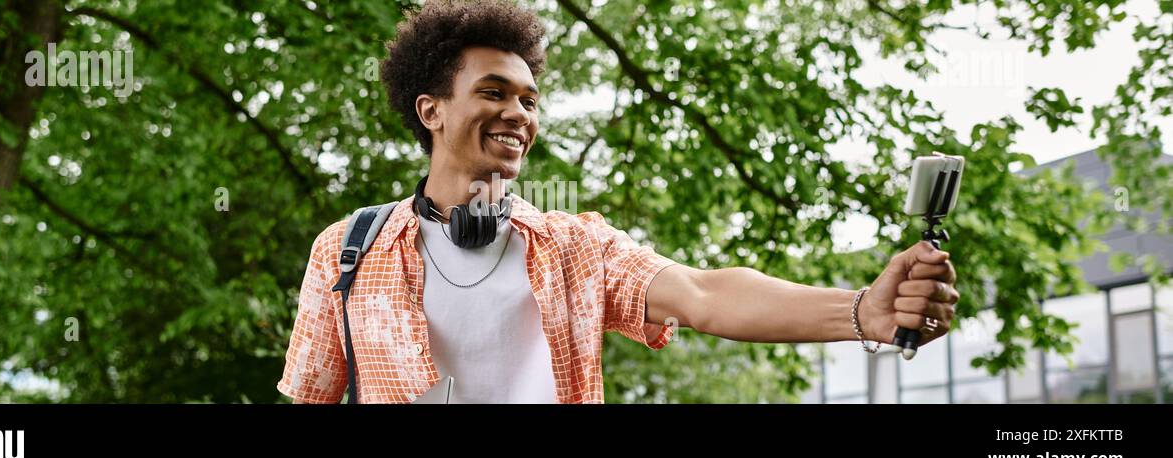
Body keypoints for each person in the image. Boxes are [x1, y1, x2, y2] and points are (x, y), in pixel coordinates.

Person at [278, 0, 958, 403]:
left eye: (529, 99)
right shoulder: (347, 250)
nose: (518, 113)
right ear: (431, 110)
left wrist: (862, 310)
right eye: (493, 92)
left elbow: (704, 294)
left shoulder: (575, 246)